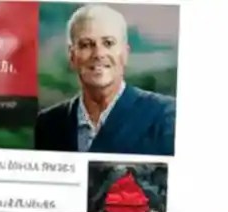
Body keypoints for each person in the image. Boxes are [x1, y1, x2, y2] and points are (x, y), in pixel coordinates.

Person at [35, 4, 176, 156]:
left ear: (125, 53)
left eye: (108, 43)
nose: (98, 54)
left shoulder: (164, 116)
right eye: (86, 45)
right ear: (72, 56)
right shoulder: (48, 123)